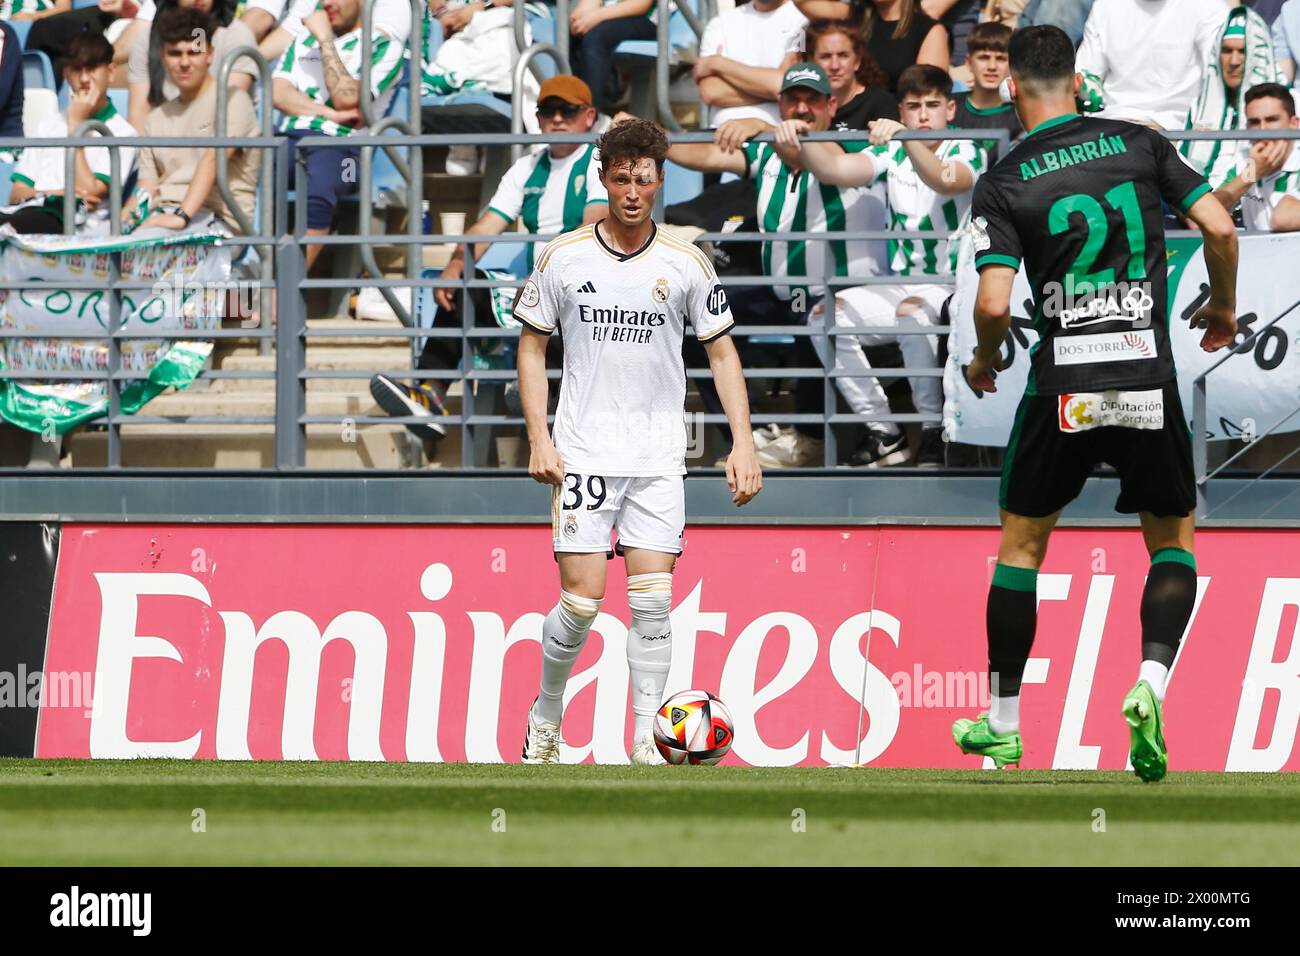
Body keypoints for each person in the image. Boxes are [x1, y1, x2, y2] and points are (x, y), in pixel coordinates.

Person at [951, 25, 1238, 781]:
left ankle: (1005, 728)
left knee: (1021, 551)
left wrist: (984, 359)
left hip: (1064, 385)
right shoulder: (1139, 144)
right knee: (1172, 542)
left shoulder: (1007, 179)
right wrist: (1224, 311)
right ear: (1077, 80)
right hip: (1147, 375)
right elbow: (1218, 223)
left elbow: (990, 302)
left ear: (1011, 88)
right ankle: (1149, 683)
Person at [514, 118, 762, 764]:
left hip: (657, 455)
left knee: (653, 605)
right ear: (604, 178)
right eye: (621, 177)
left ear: (660, 180)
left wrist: (743, 442)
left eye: (644, 177)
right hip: (585, 452)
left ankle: (649, 740)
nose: (632, 189)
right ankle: (545, 714)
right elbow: (532, 347)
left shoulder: (685, 263)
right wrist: (539, 438)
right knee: (582, 603)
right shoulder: (564, 257)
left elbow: (723, 354)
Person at [657, 63, 891, 469]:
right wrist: (655, 140)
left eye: (812, 100)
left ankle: (811, 438)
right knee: (694, 316)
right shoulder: (766, 150)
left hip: (839, 289)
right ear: (781, 104)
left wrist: (770, 128)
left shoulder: (852, 143)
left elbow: (834, 163)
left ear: (831, 106)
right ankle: (743, 438)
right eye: (793, 99)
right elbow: (709, 155)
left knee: (815, 314)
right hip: (780, 289)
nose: (802, 108)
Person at [371, 75, 608, 443]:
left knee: (567, 303)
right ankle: (429, 395)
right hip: (538, 289)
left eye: (568, 111)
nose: (557, 119)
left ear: (589, 116)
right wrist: (454, 266)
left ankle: (547, 398)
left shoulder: (596, 162)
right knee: (467, 284)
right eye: (548, 111)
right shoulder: (527, 167)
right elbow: (485, 227)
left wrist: (542, 282)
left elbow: (591, 231)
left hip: (586, 286)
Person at [787, 63, 984, 467]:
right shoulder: (894, 148)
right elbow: (838, 170)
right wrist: (802, 137)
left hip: (950, 284)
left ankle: (933, 430)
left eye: (933, 105)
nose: (924, 115)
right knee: (824, 315)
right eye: (914, 107)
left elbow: (946, 181)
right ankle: (884, 431)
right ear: (902, 109)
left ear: (950, 110)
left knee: (910, 313)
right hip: (899, 283)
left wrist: (905, 138)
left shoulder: (967, 147)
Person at [272, 0, 405, 269]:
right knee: (249, 171)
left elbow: (347, 97)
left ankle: (280, 291)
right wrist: (328, 113)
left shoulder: (384, 46)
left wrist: (325, 41)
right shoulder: (301, 40)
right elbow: (277, 94)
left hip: (347, 150)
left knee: (322, 182)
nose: (328, 4)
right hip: (290, 138)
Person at [123, 7, 259, 234]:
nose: (184, 62)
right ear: (163, 58)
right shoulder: (156, 118)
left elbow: (213, 161)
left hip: (219, 221)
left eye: (193, 52)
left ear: (210, 54)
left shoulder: (233, 100)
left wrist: (182, 216)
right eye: (175, 53)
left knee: (148, 243)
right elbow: (146, 186)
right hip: (165, 215)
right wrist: (123, 223)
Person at [6, 33, 136, 235]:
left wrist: (76, 126)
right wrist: (52, 194)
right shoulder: (48, 123)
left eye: (92, 68)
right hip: (28, 215)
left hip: (76, 227)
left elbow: (91, 192)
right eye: (76, 69)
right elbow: (16, 193)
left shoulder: (123, 133)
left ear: (110, 72)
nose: (84, 79)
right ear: (66, 74)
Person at [1075, 0, 1230, 131]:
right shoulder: (1105, 5)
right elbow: (1085, 81)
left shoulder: (1209, 6)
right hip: (1112, 127)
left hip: (1177, 133)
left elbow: (1218, 77)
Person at [1182, 7, 1281, 189]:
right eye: (1227, 51)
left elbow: (1258, 169)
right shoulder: (1199, 107)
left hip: (1254, 208)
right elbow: (1180, 169)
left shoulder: (1285, 108)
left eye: (1243, 51)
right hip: (1197, 207)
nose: (1234, 61)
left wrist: (1218, 201)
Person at [126, 0, 255, 134]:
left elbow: (231, 114)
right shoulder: (146, 39)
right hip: (163, 142)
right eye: (174, 53)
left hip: (219, 141)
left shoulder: (237, 35)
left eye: (193, 53)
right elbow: (138, 116)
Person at [793, 0, 951, 92]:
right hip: (854, 120)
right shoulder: (855, 17)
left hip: (896, 128)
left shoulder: (928, 29)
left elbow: (927, 92)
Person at [695, 0, 808, 128]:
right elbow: (710, 92)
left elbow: (784, 83)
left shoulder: (802, 20)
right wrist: (773, 90)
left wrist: (718, 63)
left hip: (779, 139)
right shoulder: (720, 23)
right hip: (721, 139)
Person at [1212, 82, 1300, 231]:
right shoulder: (1244, 160)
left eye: (1272, 120)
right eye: (1254, 122)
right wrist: (1251, 174)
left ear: (1294, 123)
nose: (1262, 129)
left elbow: (1282, 219)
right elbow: (1204, 213)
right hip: (1255, 253)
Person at [808, 17, 899, 131]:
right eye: (825, 57)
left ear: (857, 61)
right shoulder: (803, 105)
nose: (834, 66)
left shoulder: (880, 103)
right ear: (812, 61)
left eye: (843, 55)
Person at [569, 0, 656, 115]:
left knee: (596, 38)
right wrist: (579, 19)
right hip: (604, 21)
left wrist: (597, 16)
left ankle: (589, 114)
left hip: (646, 21)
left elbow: (641, 5)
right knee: (572, 38)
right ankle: (569, 109)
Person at [952, 20, 1022, 163]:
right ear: (969, 63)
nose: (992, 66)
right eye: (984, 57)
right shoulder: (949, 105)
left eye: (1001, 59)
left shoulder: (1021, 116)